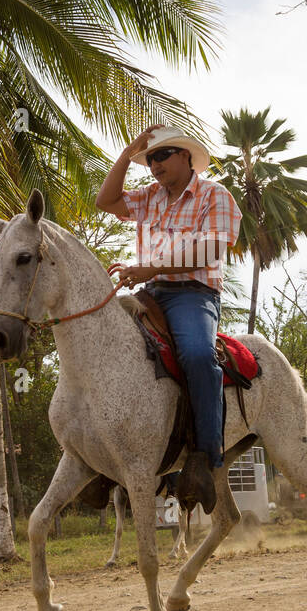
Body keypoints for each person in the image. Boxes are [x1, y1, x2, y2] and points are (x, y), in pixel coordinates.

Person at [96, 123, 242, 513]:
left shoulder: (216, 195)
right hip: (150, 292)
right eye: (150, 159)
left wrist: (150, 267)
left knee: (196, 354)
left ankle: (205, 456)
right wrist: (127, 155)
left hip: (193, 295)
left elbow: (210, 251)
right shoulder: (149, 197)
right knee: (102, 347)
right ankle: (102, 453)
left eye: (161, 155)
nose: (154, 164)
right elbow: (105, 201)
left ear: (185, 156)